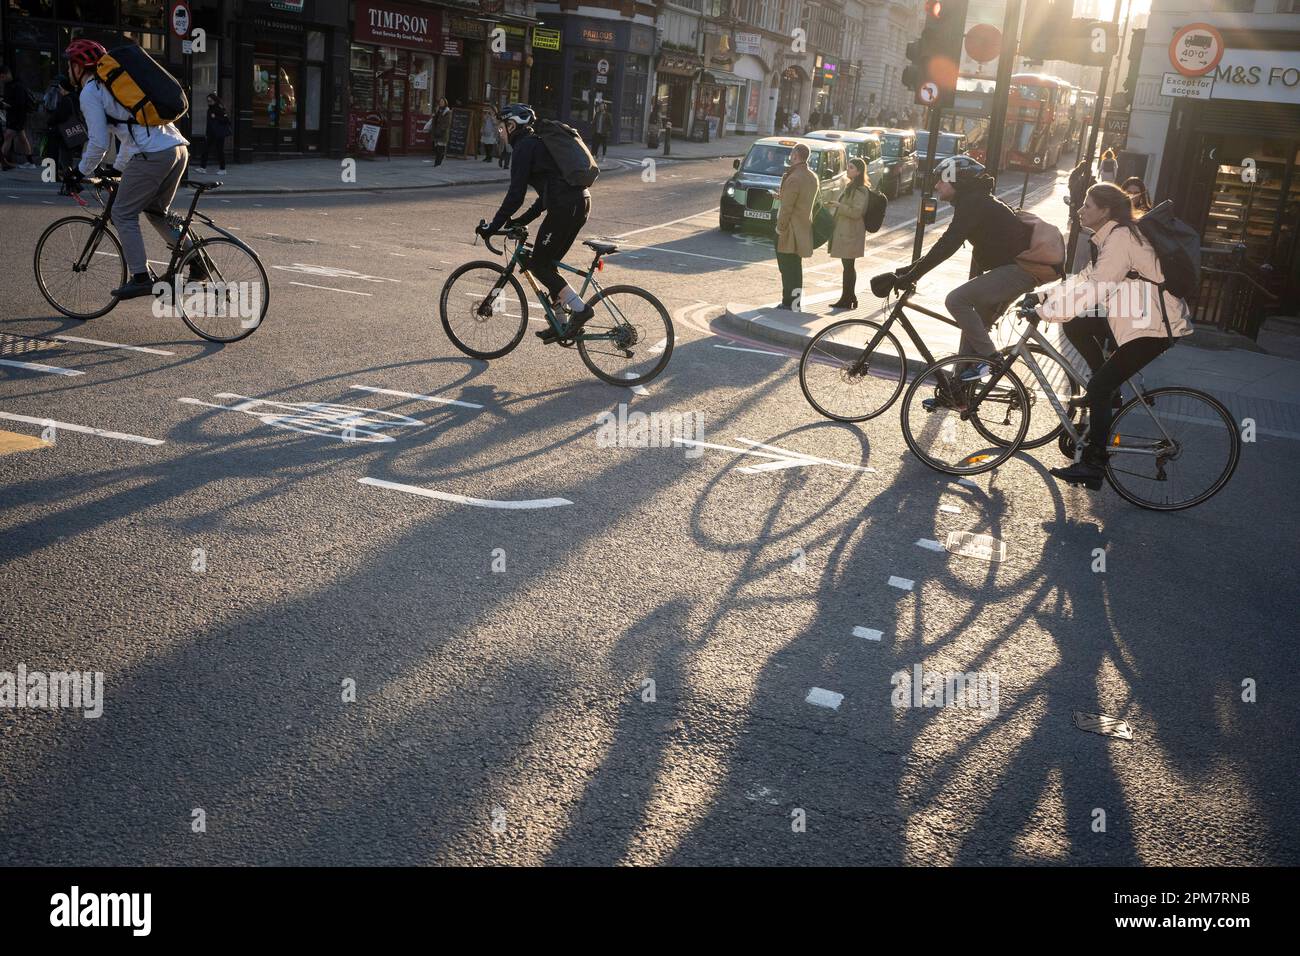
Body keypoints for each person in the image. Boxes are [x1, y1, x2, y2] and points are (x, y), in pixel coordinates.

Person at [1028, 182, 1192, 489]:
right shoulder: (1112, 237)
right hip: (1136, 319)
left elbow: (1097, 288)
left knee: (1100, 386)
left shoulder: (1122, 238)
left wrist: (1045, 313)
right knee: (1075, 325)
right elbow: (1085, 278)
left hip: (1154, 327)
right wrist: (1040, 297)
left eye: (1087, 206)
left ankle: (1093, 463)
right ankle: (1103, 387)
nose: (1079, 210)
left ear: (1105, 211)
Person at [880, 156, 1037, 386]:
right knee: (973, 330)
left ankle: (989, 359)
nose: (936, 185)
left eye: (942, 181)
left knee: (956, 300)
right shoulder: (973, 201)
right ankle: (957, 391)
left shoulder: (974, 203)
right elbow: (945, 245)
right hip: (1009, 271)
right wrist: (907, 271)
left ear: (958, 182)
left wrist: (911, 275)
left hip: (1018, 271)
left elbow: (947, 245)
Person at [63, 38, 191, 300]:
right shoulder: (119, 84)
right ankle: (196, 260)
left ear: (78, 67)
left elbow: (99, 141)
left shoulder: (91, 90)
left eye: (69, 65)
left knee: (122, 213)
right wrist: (117, 169)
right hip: (177, 149)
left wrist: (79, 172)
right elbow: (129, 133)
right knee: (157, 212)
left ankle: (140, 277)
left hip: (154, 154)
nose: (68, 71)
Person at [477, 103, 594, 342]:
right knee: (546, 264)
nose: (501, 132)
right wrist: (520, 220)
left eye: (502, 127)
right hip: (578, 203)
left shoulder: (524, 147)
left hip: (566, 208)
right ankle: (561, 322)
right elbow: (544, 198)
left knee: (538, 265)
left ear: (512, 125)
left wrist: (494, 226)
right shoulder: (537, 144)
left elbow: (515, 194)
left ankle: (581, 311)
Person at [775, 142, 818, 310]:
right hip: (803, 227)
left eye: (792, 153)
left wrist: (780, 228)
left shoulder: (793, 178)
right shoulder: (811, 177)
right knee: (796, 267)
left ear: (795, 156)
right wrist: (782, 197)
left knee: (787, 268)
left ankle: (788, 302)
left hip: (790, 229)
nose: (790, 156)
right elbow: (803, 201)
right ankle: (795, 303)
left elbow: (787, 208)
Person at [825, 156, 871, 310]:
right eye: (848, 166)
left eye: (851, 167)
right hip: (845, 231)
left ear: (858, 172)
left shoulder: (861, 190)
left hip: (851, 232)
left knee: (848, 266)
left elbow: (857, 212)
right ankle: (849, 297)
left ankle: (847, 299)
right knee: (848, 266)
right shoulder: (850, 186)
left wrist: (840, 205)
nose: (848, 169)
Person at [1, 65, 37, 169]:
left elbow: (20, 103)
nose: (1, 79)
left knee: (8, 136)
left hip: (17, 116)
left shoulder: (17, 85)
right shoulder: (10, 84)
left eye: (2, 77)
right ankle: (30, 162)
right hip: (15, 116)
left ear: (7, 74)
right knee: (22, 138)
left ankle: (2, 161)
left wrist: (7, 105)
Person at [194, 93, 230, 174]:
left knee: (220, 151)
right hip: (211, 133)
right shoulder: (210, 109)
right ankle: (203, 168)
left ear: (214, 100)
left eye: (210, 100)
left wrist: (216, 117)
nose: (209, 102)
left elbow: (226, 120)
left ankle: (223, 169)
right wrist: (207, 133)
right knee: (205, 150)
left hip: (219, 133)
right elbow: (209, 123)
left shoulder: (219, 108)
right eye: (208, 100)